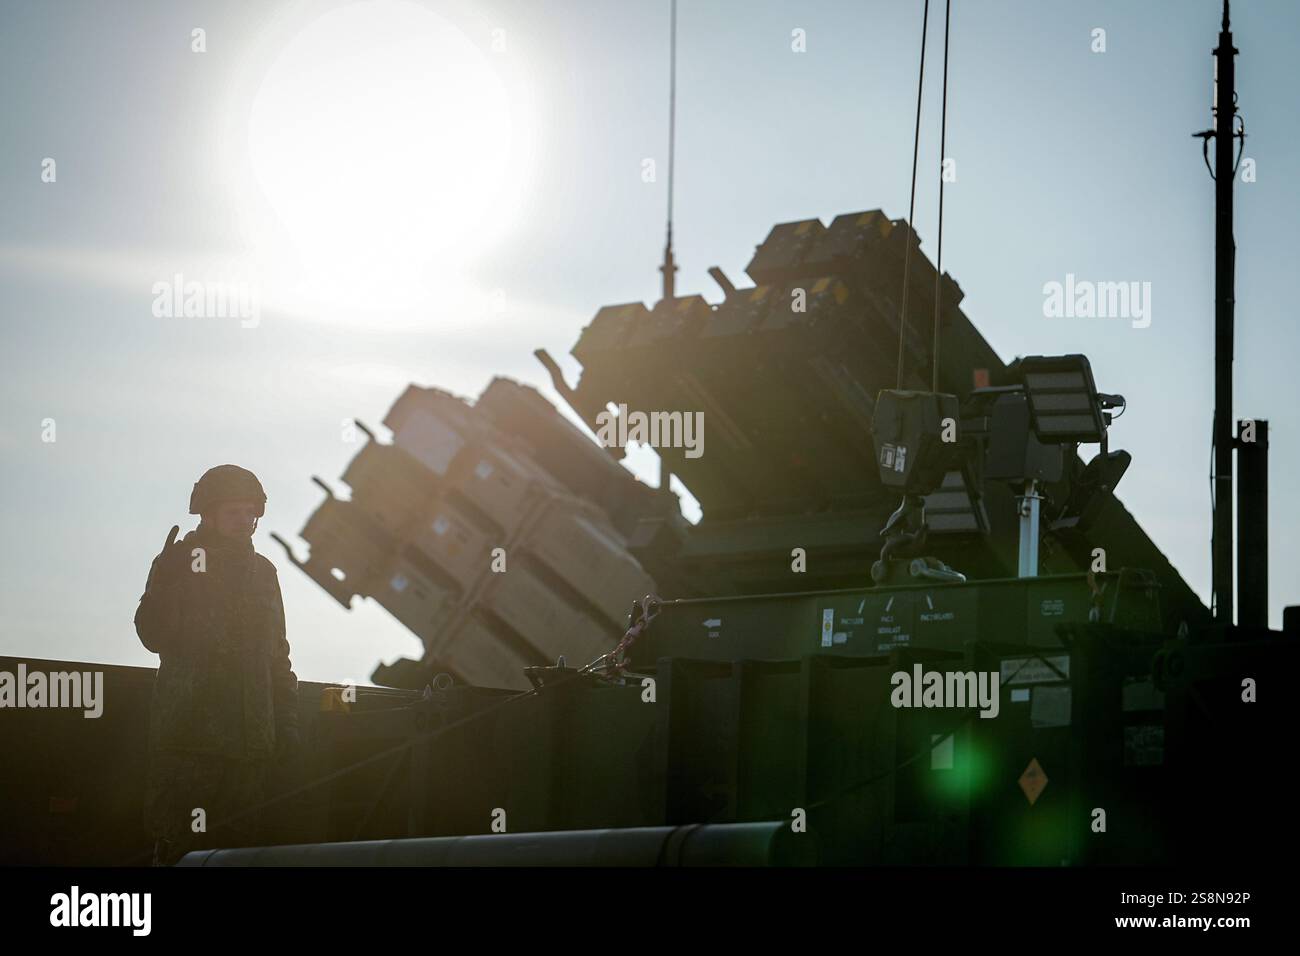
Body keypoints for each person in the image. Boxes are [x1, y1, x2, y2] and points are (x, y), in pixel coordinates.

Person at [134, 465, 299, 865]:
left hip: (251, 747)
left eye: (251, 513)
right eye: (233, 513)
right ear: (207, 513)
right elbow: (153, 637)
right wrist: (166, 585)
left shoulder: (264, 574)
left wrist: (288, 723)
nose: (245, 522)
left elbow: (277, 655)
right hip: (190, 743)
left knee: (239, 855)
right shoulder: (178, 563)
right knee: (180, 852)